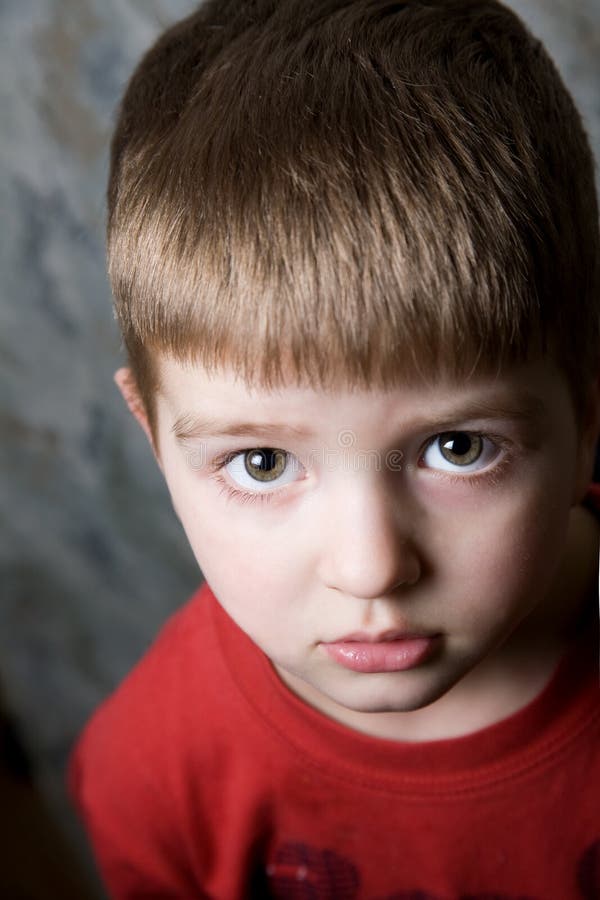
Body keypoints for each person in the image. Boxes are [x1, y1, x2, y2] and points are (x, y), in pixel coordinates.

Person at [68, 1, 600, 897]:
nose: (371, 570)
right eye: (263, 462)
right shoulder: (148, 775)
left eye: (459, 447)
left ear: (589, 413)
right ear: (154, 439)